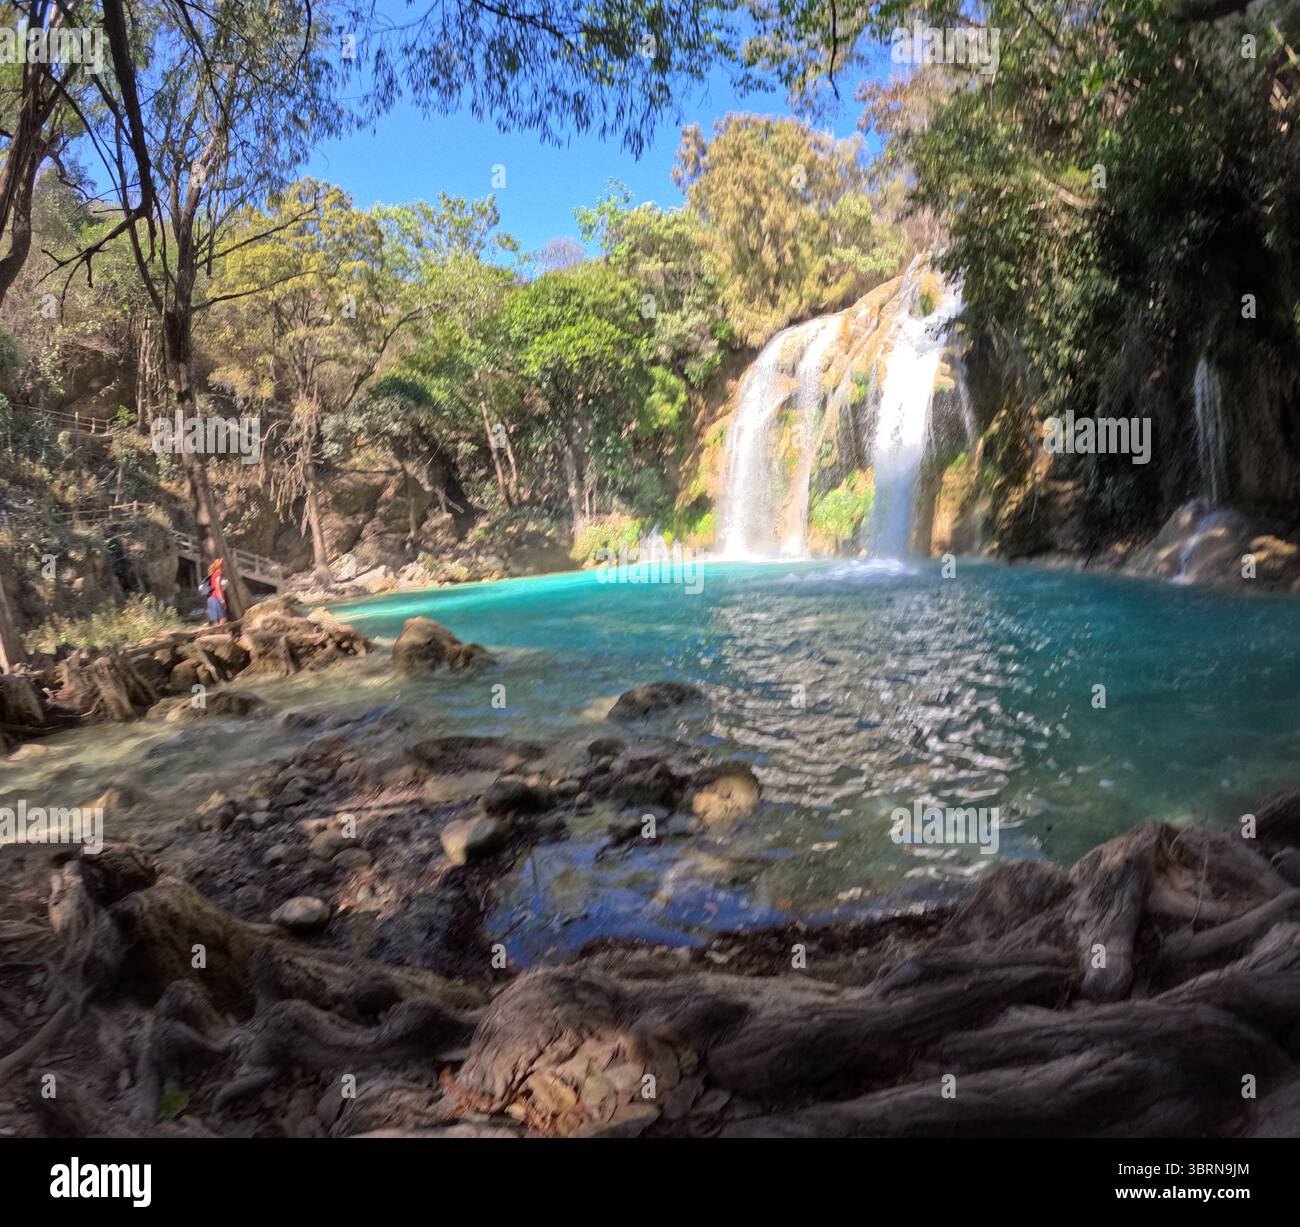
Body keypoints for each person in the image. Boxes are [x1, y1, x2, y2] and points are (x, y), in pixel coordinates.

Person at [199, 557, 229, 625]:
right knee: (223, 619)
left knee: (217, 621)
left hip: (211, 599)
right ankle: (220, 634)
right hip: (216, 599)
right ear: (220, 566)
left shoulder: (214, 574)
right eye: (222, 564)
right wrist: (222, 600)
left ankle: (218, 633)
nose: (224, 565)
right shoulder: (218, 573)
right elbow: (218, 588)